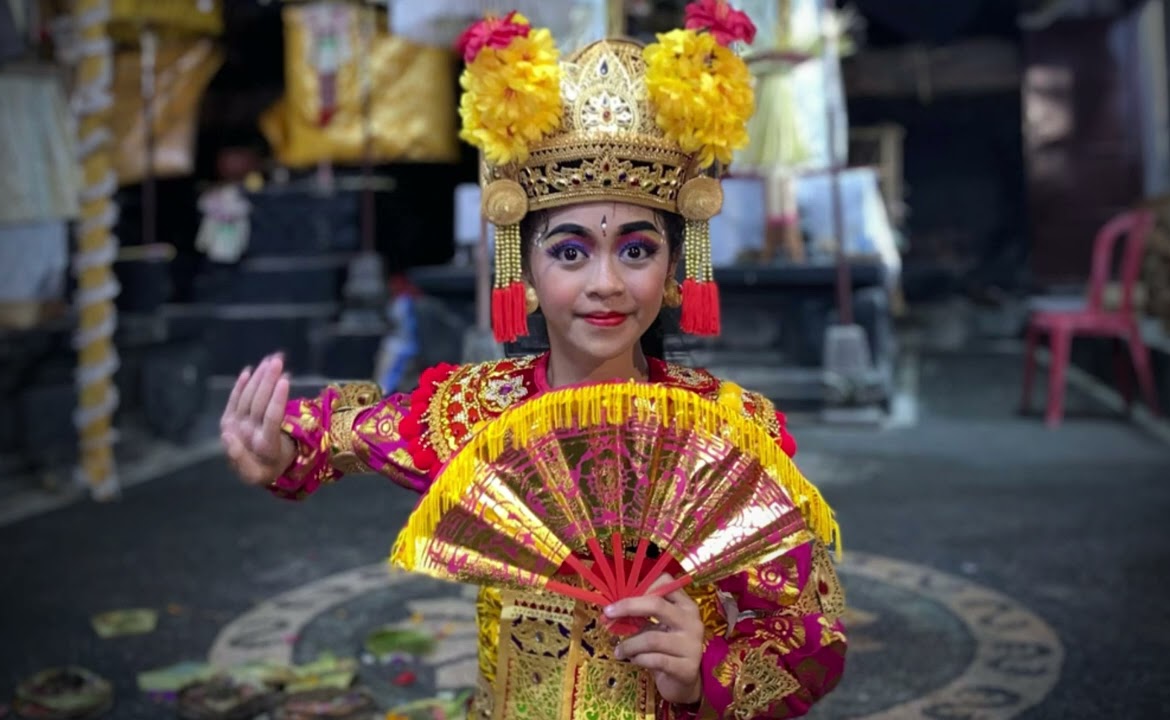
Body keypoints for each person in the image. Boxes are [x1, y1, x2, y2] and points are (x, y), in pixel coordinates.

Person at [221, 5, 846, 718]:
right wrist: (274, 449)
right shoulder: (474, 415)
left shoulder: (728, 432)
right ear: (523, 271)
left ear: (676, 268)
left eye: (636, 249)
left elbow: (810, 636)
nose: (606, 283)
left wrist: (705, 669)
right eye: (571, 251)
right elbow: (336, 430)